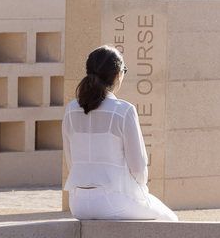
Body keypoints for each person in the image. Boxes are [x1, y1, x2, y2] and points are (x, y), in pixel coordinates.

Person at [63, 45, 179, 221]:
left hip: (77, 204)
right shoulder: (124, 111)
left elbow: (71, 162)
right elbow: (139, 169)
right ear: (118, 75)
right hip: (113, 202)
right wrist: (137, 192)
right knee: (171, 220)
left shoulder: (71, 110)